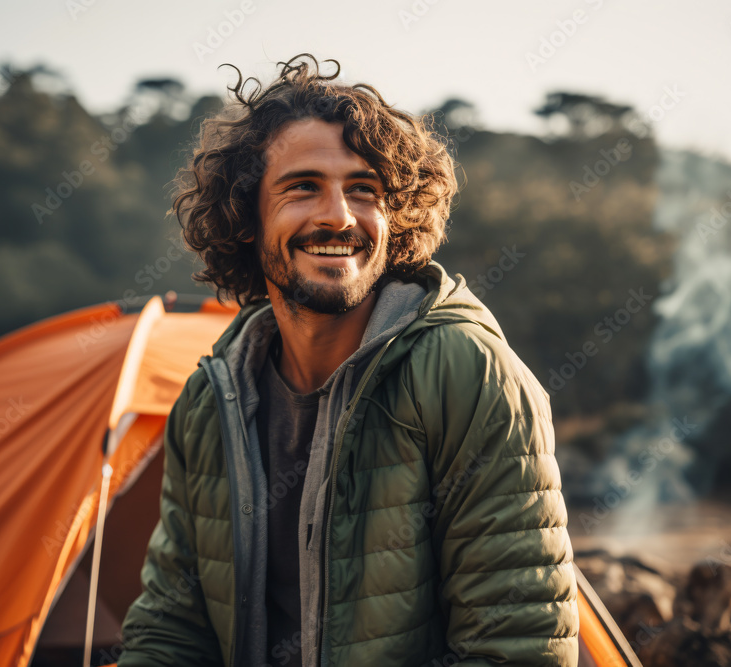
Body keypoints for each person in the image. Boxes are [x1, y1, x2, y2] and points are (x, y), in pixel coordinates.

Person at [117, 54, 578, 667]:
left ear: (395, 219)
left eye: (363, 190)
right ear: (247, 217)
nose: (339, 215)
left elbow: (517, 645)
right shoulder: (209, 402)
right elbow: (172, 627)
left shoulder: (466, 373)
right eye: (303, 186)